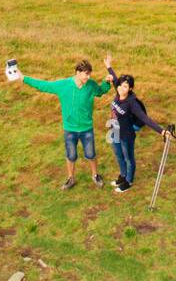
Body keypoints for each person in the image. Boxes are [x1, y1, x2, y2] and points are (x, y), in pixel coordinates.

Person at [13, 58, 110, 190]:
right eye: (86, 74)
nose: (88, 77)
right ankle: (71, 178)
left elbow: (100, 91)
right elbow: (44, 85)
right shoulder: (64, 85)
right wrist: (23, 78)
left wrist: (107, 82)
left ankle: (95, 175)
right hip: (70, 129)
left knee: (91, 154)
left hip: (86, 128)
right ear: (77, 72)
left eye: (89, 74)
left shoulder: (91, 85)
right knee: (71, 155)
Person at [103, 53, 175, 194]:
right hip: (113, 129)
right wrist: (109, 67)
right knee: (118, 155)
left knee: (128, 158)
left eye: (125, 87)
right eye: (120, 86)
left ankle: (128, 181)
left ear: (130, 89)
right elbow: (116, 81)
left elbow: (145, 119)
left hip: (126, 135)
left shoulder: (132, 103)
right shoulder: (118, 92)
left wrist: (162, 131)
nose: (121, 88)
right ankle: (123, 176)